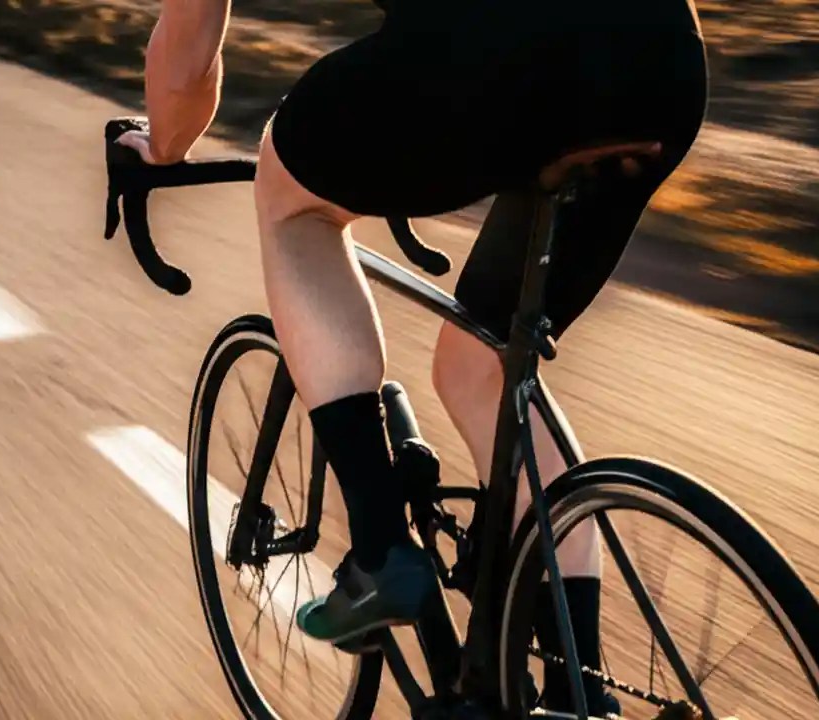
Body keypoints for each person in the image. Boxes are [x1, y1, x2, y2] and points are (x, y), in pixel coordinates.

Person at [118, 0, 707, 714]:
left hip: (500, 50)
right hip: (662, 61)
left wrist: (158, 148)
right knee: (481, 365)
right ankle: (575, 682)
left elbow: (181, 73)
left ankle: (380, 550)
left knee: (291, 194)